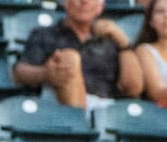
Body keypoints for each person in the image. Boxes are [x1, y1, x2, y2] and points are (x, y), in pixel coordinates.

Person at [12, 0, 142, 109]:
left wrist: (122, 42)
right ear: (66, 3)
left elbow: (133, 89)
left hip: (105, 107)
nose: (84, 1)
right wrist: (45, 73)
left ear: (100, 7)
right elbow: (19, 72)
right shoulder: (45, 34)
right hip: (59, 104)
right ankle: (79, 123)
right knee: (69, 58)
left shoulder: (110, 41)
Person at [136, 0, 167, 107]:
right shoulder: (145, 51)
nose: (166, 16)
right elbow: (156, 93)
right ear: (151, 21)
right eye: (160, 11)